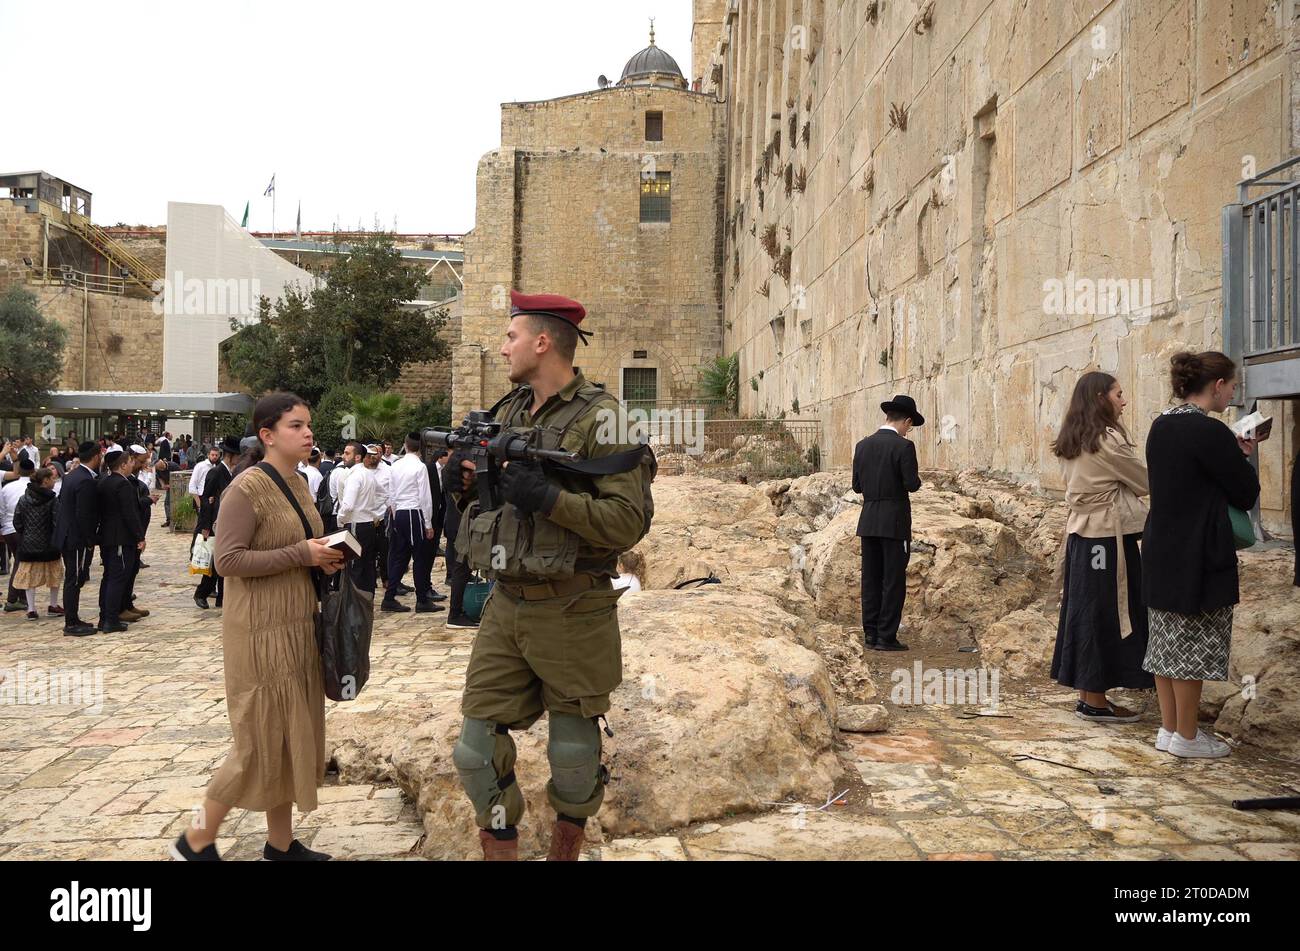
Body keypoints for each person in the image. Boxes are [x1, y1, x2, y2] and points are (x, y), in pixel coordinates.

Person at [449, 290, 648, 861]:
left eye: (511, 336)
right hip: (505, 603)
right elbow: (487, 510)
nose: (502, 346)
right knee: (475, 751)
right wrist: (461, 487)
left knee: (572, 752)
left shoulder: (605, 419)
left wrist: (550, 497)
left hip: (574, 608)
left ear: (542, 342)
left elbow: (628, 523)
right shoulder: (506, 412)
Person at [171, 392, 344, 862]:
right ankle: (195, 838)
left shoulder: (302, 482)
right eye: (295, 426)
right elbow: (227, 560)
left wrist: (322, 557)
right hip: (258, 630)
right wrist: (301, 554)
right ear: (267, 435)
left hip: (295, 623)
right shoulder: (244, 489)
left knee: (288, 735)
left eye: (309, 424)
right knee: (255, 741)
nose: (307, 433)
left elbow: (298, 545)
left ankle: (281, 844)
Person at [1142, 351, 1260, 759]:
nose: (1233, 393)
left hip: (1161, 546)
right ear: (1216, 386)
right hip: (1199, 550)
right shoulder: (1209, 432)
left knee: (1164, 643)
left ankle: (1171, 730)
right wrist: (1243, 455)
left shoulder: (1160, 425)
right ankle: (1189, 738)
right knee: (1192, 645)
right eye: (1231, 386)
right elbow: (1245, 492)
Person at [1050, 372, 1153, 723]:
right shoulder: (1106, 440)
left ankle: (1089, 694)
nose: (1124, 401)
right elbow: (1142, 481)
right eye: (1119, 394)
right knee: (1104, 612)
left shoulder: (1071, 438)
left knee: (1085, 609)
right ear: (1100, 397)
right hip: (1107, 538)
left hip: (1081, 534)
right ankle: (1094, 699)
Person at [852, 394, 924, 652]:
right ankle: (886, 637)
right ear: (905, 421)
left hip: (868, 520)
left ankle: (870, 634)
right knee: (893, 580)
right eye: (910, 425)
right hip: (894, 522)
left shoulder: (862, 445)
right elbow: (911, 484)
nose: (908, 430)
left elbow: (857, 486)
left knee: (870, 579)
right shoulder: (904, 447)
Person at [382, 433, 445, 613]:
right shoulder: (419, 467)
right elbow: (425, 497)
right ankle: (422, 599)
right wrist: (428, 524)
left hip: (400, 512)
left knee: (401, 556)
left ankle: (389, 596)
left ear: (405, 445)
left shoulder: (396, 465)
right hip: (413, 512)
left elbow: (391, 493)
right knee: (420, 557)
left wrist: (395, 513)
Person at [55, 441, 102, 636]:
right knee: (73, 579)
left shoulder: (72, 475)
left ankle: (73, 617)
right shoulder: (85, 480)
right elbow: (84, 514)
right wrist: (90, 539)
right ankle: (71, 622)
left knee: (74, 578)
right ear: (95, 457)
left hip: (68, 534)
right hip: (75, 538)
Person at [95, 449, 145, 634]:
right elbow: (129, 513)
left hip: (108, 536)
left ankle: (105, 617)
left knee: (108, 577)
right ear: (123, 465)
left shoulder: (104, 481)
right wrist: (140, 536)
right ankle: (110, 619)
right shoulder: (122, 485)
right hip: (120, 539)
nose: (133, 464)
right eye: (130, 462)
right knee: (116, 579)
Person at [12, 467, 64, 620]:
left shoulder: (23, 498)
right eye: (52, 479)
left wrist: (26, 534)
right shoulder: (52, 500)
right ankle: (53, 605)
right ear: (46, 481)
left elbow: (17, 521)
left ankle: (31, 608)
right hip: (49, 544)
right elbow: (57, 521)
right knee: (54, 574)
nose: (54, 481)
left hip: (28, 543)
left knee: (30, 577)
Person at [335, 444, 388, 595]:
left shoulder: (355, 476)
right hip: (368, 524)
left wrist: (340, 519)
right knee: (367, 565)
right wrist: (372, 511)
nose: (343, 457)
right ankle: (366, 600)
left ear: (357, 457)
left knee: (356, 566)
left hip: (356, 525)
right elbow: (384, 494)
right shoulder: (368, 474)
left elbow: (348, 505)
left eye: (347, 453)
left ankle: (356, 603)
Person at [195, 437, 240, 610]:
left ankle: (222, 597)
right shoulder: (216, 471)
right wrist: (205, 526)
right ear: (230, 456)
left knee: (222, 561)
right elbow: (205, 498)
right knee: (213, 562)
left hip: (226, 521)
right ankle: (201, 593)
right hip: (213, 523)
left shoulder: (231, 472)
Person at [1, 456, 35, 613]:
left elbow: (2, 509)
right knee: (20, 562)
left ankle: (21, 597)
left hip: (8, 528)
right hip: (23, 530)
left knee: (20, 561)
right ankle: (12, 598)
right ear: (33, 471)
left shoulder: (7, 488)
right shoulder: (32, 487)